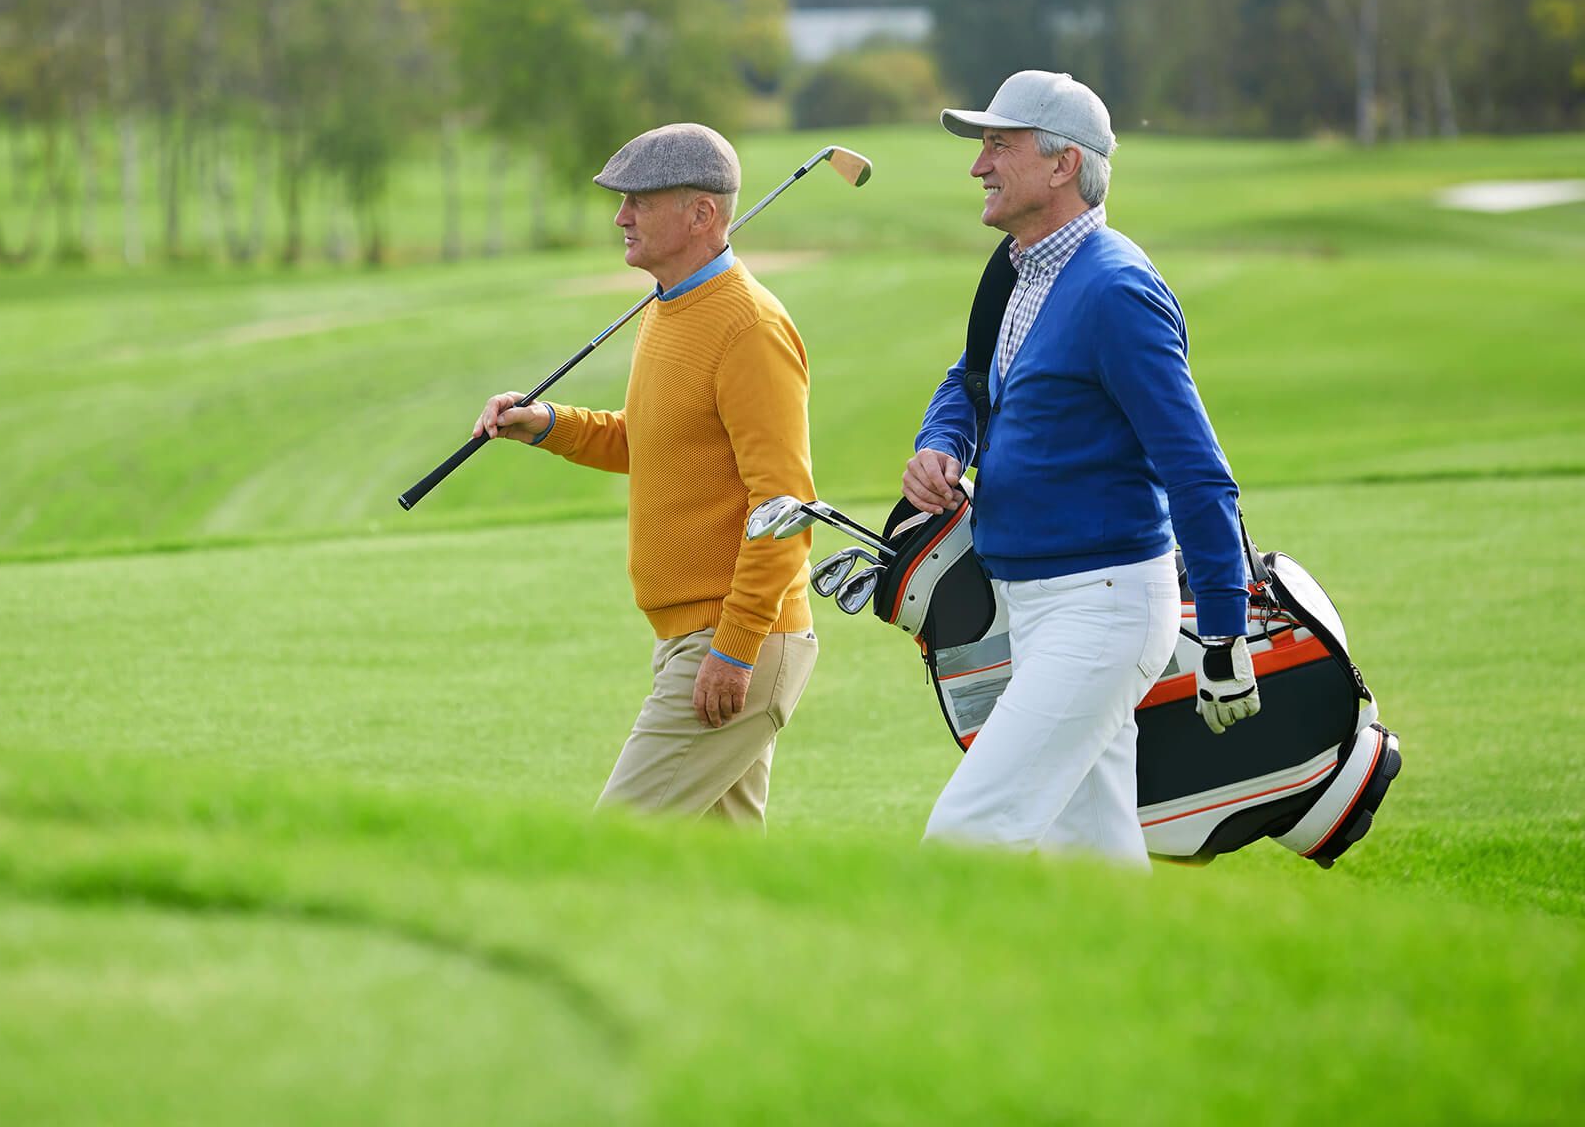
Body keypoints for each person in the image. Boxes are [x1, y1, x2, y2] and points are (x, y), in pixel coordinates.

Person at [905, 70, 1258, 866]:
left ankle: (924, 995)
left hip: (1101, 610)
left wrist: (1228, 631)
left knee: (966, 837)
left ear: (1064, 164)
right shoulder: (1018, 266)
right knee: (1091, 857)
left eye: (999, 144)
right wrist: (943, 443)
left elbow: (1198, 471)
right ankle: (1126, 992)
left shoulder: (1117, 290)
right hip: (1037, 604)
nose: (978, 165)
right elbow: (969, 375)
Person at [474, 123, 819, 826]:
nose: (620, 216)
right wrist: (546, 423)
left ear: (701, 214)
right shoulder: (668, 308)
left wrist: (735, 644)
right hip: (694, 640)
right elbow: (651, 442)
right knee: (712, 891)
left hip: (733, 638)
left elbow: (785, 504)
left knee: (611, 852)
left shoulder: (748, 325)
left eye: (639, 200)